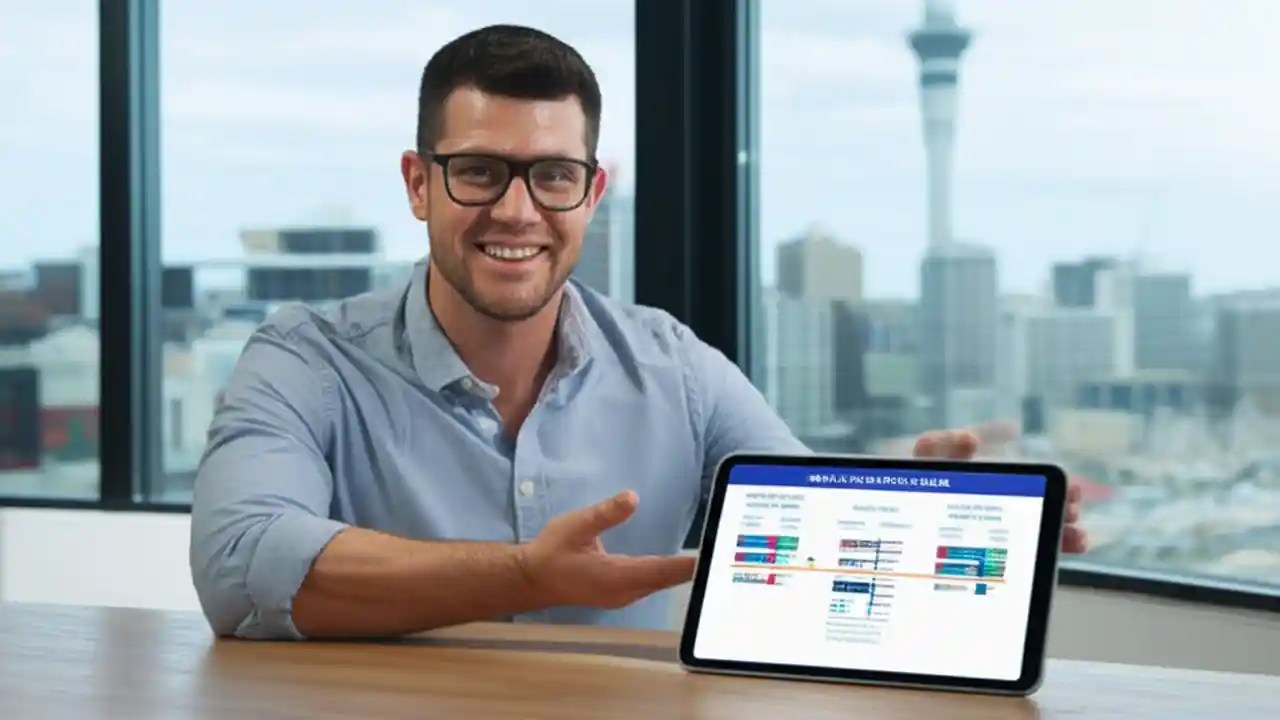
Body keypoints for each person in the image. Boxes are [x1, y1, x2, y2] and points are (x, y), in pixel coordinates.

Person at [189, 24, 1088, 641]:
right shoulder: (307, 357)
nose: (517, 210)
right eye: (477, 172)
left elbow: (804, 541)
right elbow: (238, 566)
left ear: (591, 191)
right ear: (418, 184)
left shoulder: (676, 367)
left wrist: (918, 513)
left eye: (551, 176)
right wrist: (524, 576)